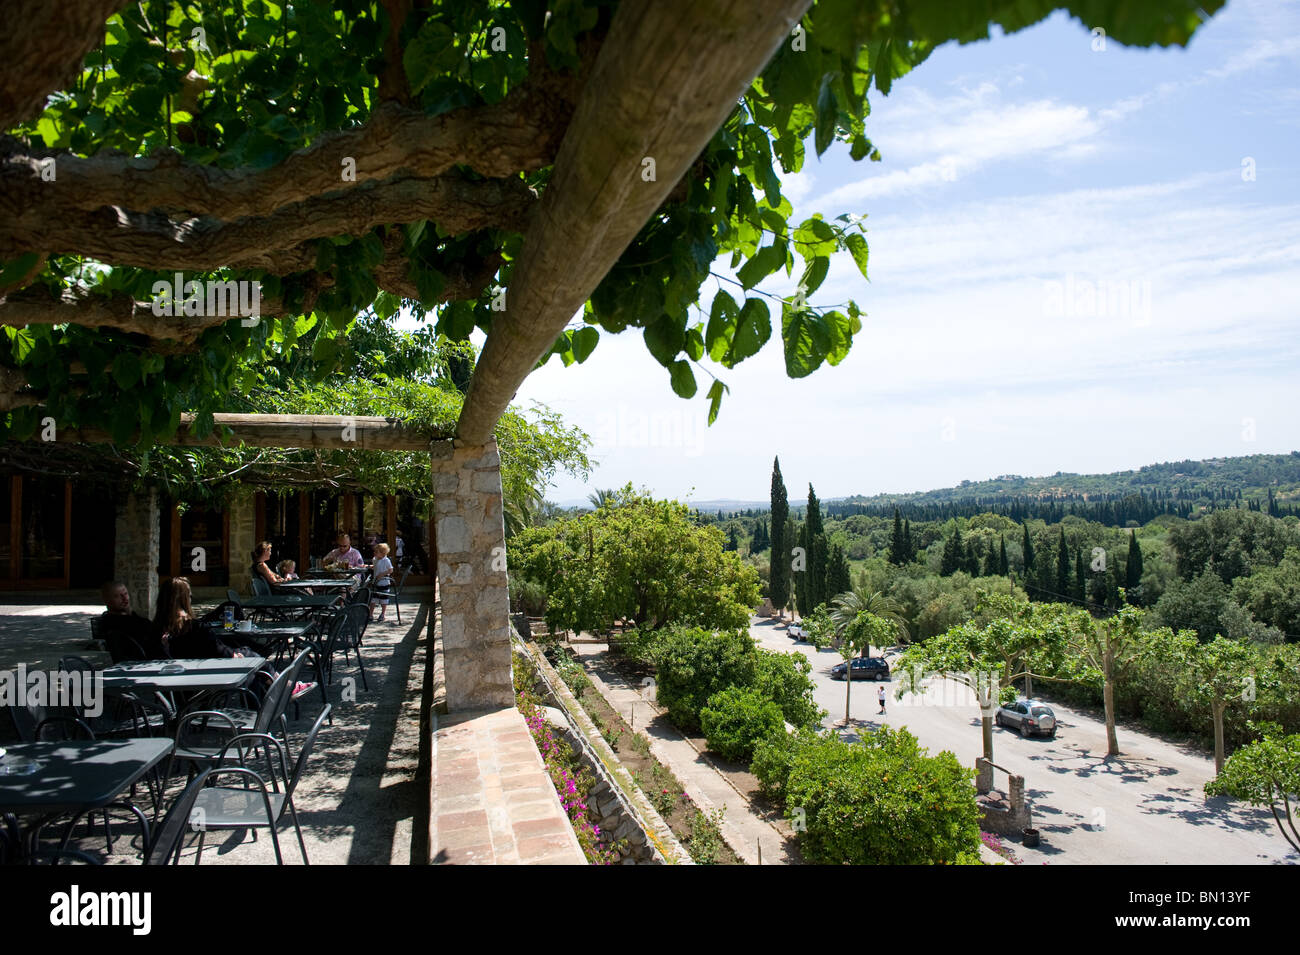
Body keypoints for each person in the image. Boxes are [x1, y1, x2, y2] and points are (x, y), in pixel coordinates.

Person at [153, 577, 249, 659]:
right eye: (189, 596)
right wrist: (235, 656)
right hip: (212, 670)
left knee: (231, 605)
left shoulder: (154, 630)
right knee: (249, 653)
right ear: (185, 599)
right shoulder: (196, 629)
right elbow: (219, 651)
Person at [97, 581, 162, 661]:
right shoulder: (113, 622)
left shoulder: (130, 616)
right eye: (117, 596)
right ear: (106, 600)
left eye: (125, 594)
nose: (124, 599)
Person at [369, 543, 394, 622]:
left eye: (377, 552)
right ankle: (370, 614)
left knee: (383, 599)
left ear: (383, 553)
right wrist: (369, 566)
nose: (375, 553)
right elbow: (375, 567)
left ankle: (383, 614)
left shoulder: (386, 560)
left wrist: (382, 574)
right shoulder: (375, 559)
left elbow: (390, 570)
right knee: (373, 599)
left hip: (384, 583)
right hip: (376, 582)